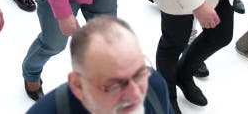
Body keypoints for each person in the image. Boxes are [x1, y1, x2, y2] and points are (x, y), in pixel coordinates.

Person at [27, 16, 174, 114]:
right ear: (78, 85)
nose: (135, 94)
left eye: (139, 74)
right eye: (115, 85)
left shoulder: (154, 85)